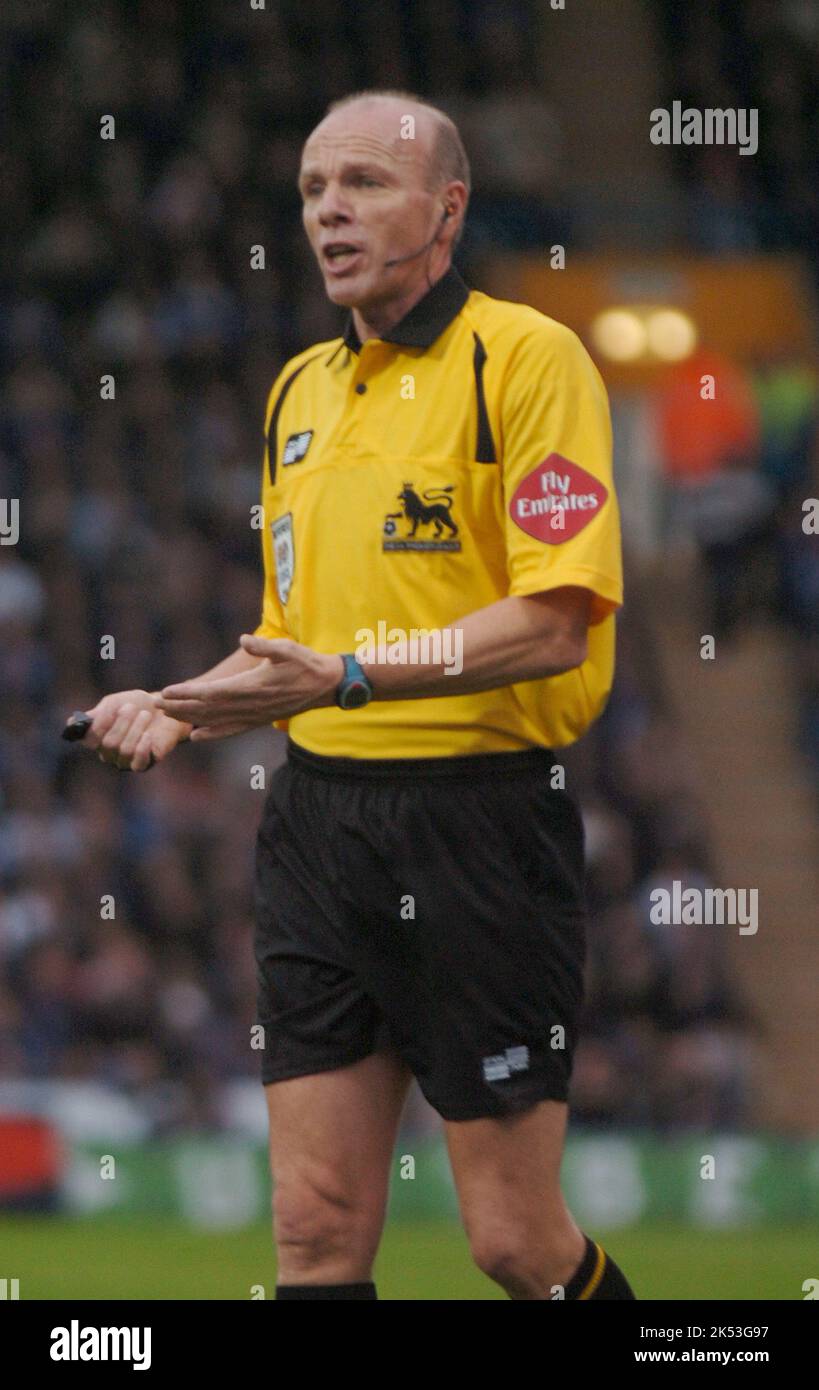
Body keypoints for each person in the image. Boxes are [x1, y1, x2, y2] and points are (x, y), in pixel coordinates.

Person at [73, 90, 633, 1301]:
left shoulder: (528, 360)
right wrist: (181, 704)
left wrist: (357, 673)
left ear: (449, 208)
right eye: (315, 190)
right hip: (320, 827)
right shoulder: (298, 395)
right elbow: (292, 646)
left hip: (480, 823)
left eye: (366, 184)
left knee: (514, 1244)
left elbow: (554, 620)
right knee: (315, 1233)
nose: (330, 210)